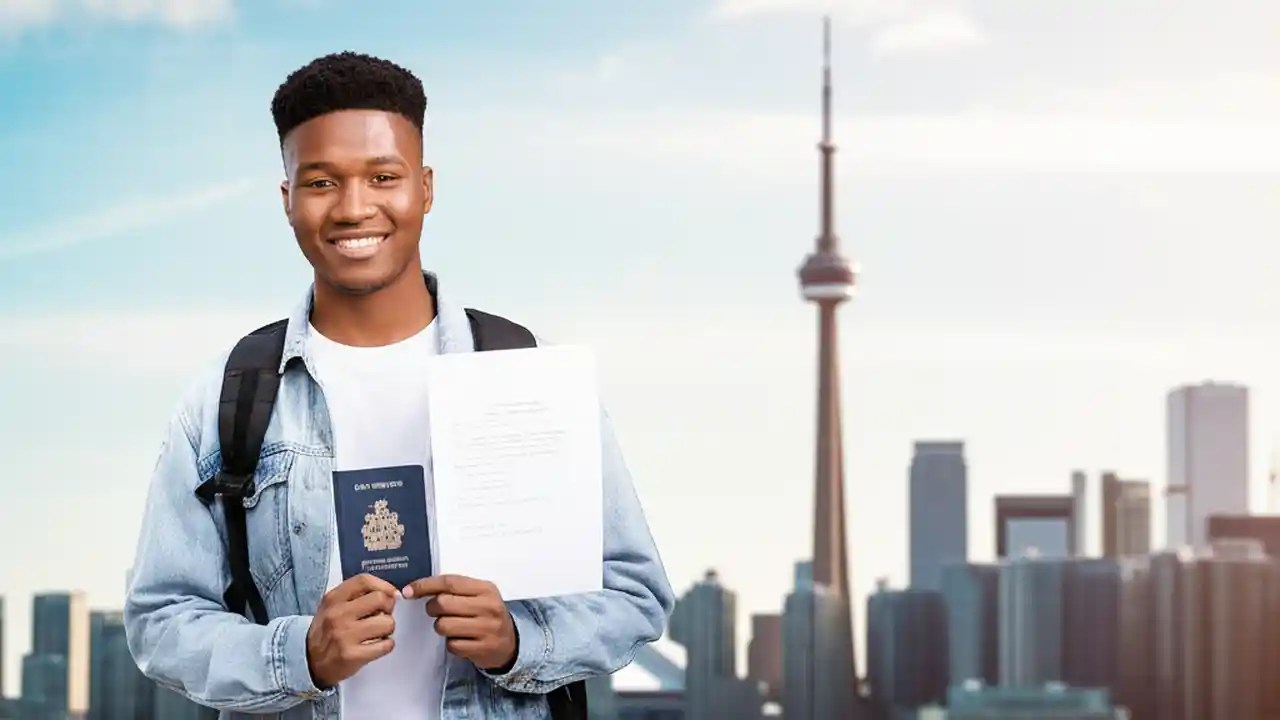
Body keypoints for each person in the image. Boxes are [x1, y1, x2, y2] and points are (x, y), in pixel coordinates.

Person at [123, 51, 674, 719]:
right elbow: (159, 620)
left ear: (426, 187)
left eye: (384, 176)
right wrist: (300, 654)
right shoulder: (225, 400)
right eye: (322, 183)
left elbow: (634, 594)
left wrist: (520, 640)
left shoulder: (529, 373)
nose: (355, 209)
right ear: (287, 198)